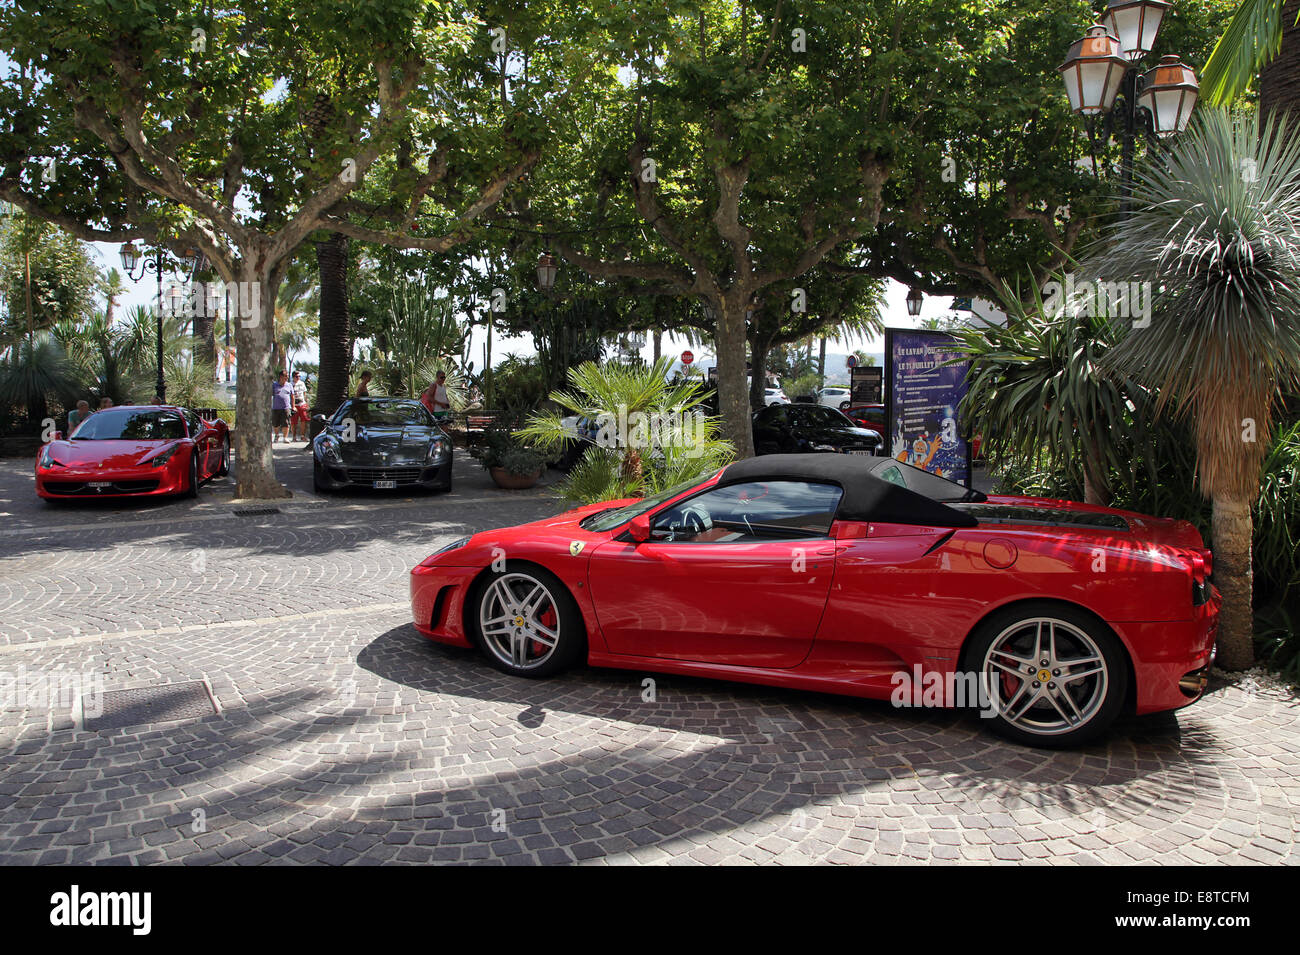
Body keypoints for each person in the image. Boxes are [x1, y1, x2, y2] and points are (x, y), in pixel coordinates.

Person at [272, 371, 293, 443]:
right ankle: (277, 435)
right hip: (276, 407)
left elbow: (292, 396)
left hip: (286, 407)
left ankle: (285, 437)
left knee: (286, 423)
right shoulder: (274, 385)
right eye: (285, 376)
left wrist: (293, 406)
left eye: (287, 376)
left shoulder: (289, 385)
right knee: (275, 423)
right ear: (281, 377)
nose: (287, 377)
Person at [291, 371, 309, 441]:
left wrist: (306, 403)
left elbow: (304, 393)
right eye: (296, 376)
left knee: (303, 420)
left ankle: (302, 436)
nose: (298, 378)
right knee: (293, 421)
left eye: (299, 376)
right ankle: (294, 437)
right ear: (293, 377)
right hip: (294, 405)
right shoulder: (290, 384)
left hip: (302, 404)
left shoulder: (302, 383)